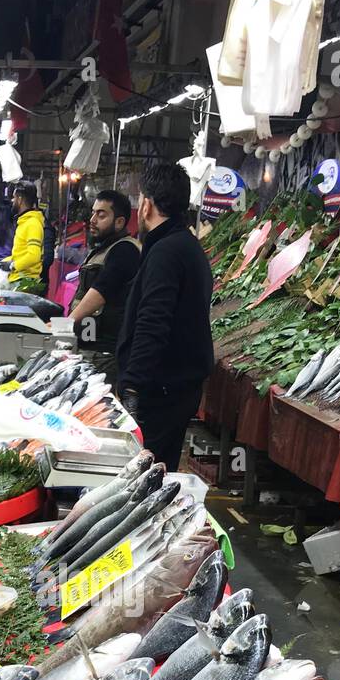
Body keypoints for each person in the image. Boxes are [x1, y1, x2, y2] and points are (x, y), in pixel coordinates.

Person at [116, 163, 214, 472]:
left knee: (142, 478)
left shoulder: (167, 252)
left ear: (147, 205)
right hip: (175, 389)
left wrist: (132, 385)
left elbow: (152, 322)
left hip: (160, 391)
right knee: (159, 470)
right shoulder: (185, 246)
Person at [70, 190, 140, 358]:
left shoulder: (125, 250)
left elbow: (101, 291)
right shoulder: (103, 249)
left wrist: (65, 323)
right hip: (89, 343)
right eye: (93, 213)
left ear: (119, 222)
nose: (92, 220)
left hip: (107, 352)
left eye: (101, 215)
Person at [7, 181, 45, 286]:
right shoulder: (24, 222)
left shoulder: (33, 223)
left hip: (25, 282)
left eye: (14, 197)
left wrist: (12, 266)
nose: (12, 200)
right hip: (19, 279)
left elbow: (34, 255)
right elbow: (21, 253)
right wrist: (4, 262)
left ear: (20, 199)